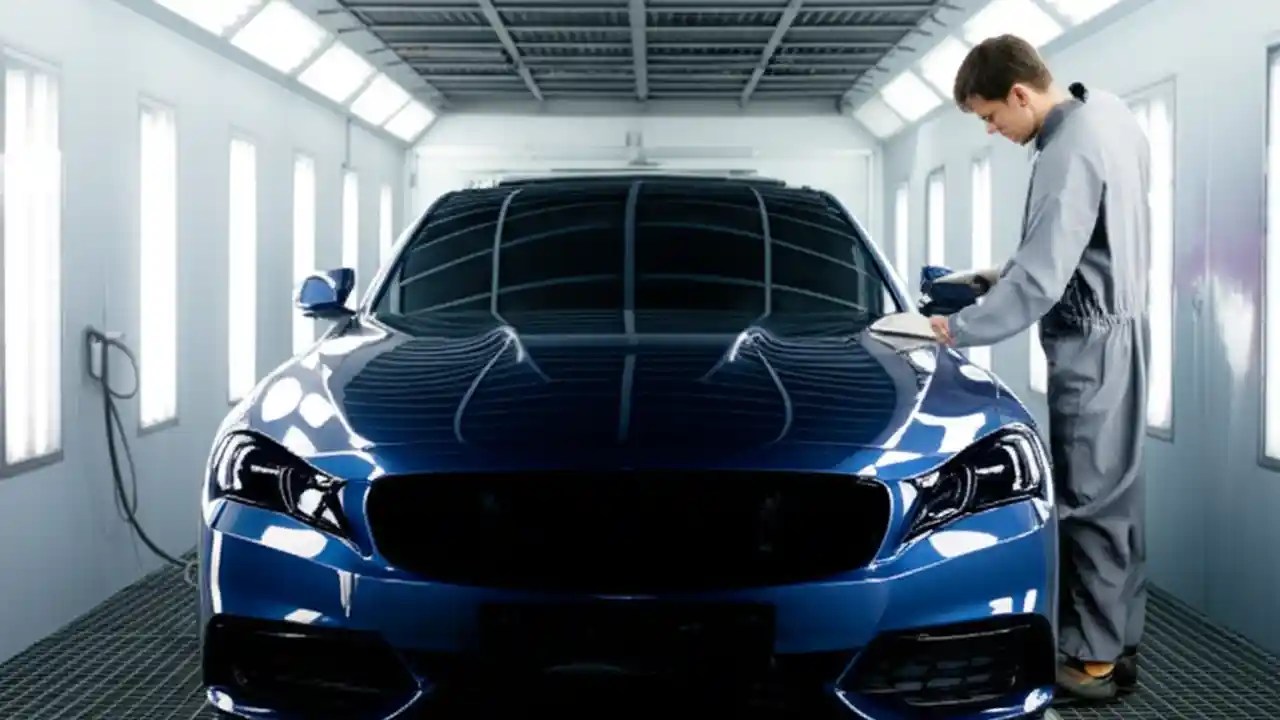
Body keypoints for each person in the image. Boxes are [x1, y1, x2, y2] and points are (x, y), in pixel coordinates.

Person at [926, 34, 1151, 702]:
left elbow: (1042, 281)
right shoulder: (1107, 113)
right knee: (1119, 496)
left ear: (1020, 94)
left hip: (1089, 343)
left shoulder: (1064, 150)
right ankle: (1118, 639)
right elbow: (1084, 239)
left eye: (991, 116)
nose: (992, 131)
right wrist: (999, 272)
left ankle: (1089, 659)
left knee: (1086, 499)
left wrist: (956, 329)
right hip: (1125, 326)